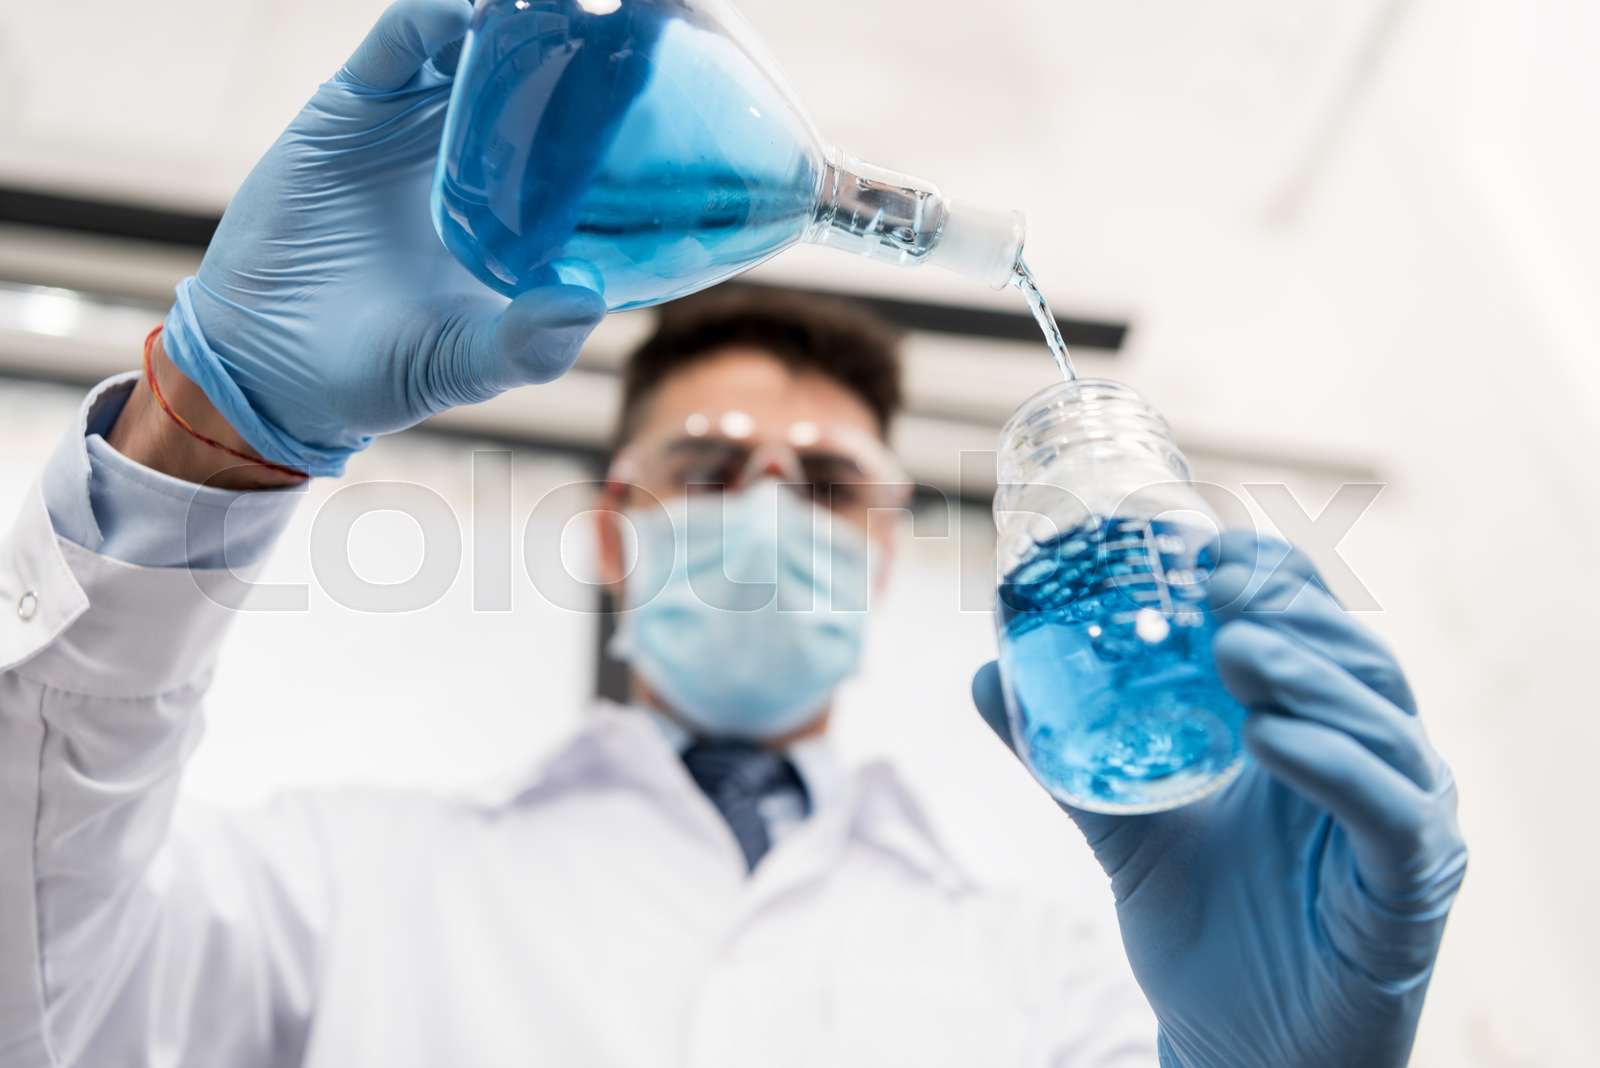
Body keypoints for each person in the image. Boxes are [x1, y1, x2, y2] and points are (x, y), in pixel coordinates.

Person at [0, 3, 1466, 1066]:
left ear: (887, 544)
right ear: (616, 528)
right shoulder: (337, 883)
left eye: (826, 485)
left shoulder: (1058, 976)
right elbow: (32, 1000)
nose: (770, 508)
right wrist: (211, 428)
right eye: (709, 467)